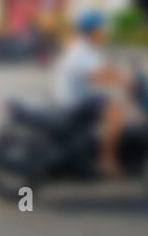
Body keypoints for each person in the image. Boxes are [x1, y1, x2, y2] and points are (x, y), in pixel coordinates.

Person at [54, 11, 132, 176]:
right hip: (75, 101)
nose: (105, 32)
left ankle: (98, 148)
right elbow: (98, 74)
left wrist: (121, 73)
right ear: (93, 30)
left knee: (111, 100)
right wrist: (125, 80)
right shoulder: (81, 50)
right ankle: (106, 160)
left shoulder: (85, 47)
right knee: (116, 109)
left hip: (79, 96)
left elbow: (104, 68)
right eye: (102, 28)